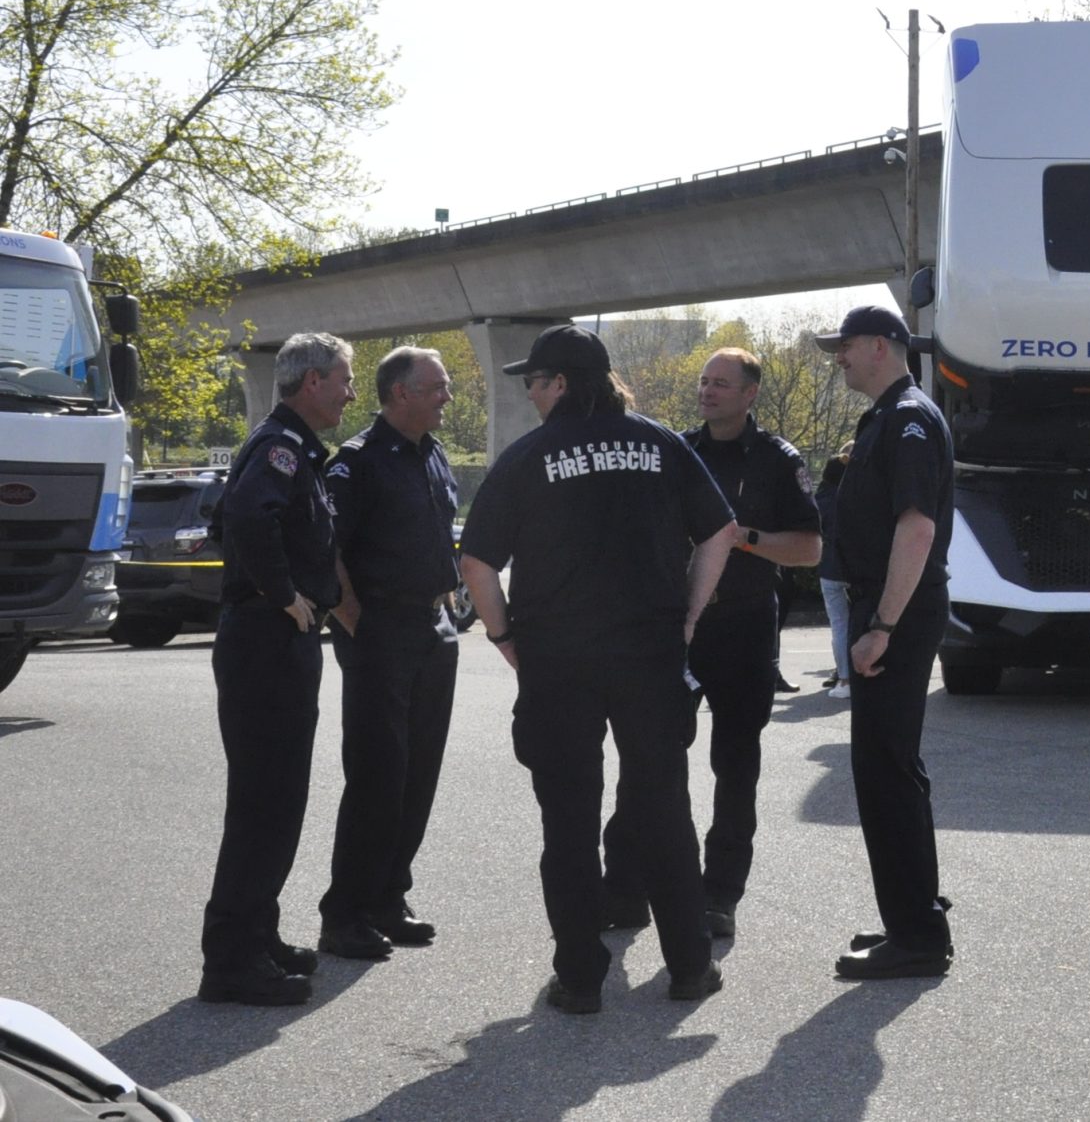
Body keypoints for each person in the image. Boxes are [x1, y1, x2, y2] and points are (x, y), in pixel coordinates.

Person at [457, 324, 740, 1015]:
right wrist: (691, 616)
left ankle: (581, 979)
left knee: (570, 822)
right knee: (664, 811)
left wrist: (503, 637)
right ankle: (689, 966)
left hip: (558, 661)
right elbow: (721, 530)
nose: (529, 393)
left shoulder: (529, 456)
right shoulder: (662, 443)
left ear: (560, 384)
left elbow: (476, 561)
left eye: (535, 381)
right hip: (650, 654)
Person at [601, 346, 820, 941]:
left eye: (722, 383)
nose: (708, 391)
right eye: (703, 381)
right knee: (649, 755)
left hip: (745, 627)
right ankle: (623, 888)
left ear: (750, 394)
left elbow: (809, 549)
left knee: (735, 765)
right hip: (679, 627)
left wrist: (740, 537)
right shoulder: (676, 450)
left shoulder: (777, 460)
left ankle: (718, 894)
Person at [197, 333, 358, 1006]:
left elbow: (226, 521)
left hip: (275, 643)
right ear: (312, 381)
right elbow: (243, 517)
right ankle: (231, 961)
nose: (351, 392)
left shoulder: (292, 448)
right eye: (344, 379)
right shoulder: (282, 447)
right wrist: (284, 595)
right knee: (264, 803)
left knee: (280, 801)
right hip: (266, 641)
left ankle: (256, 934)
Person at [812, 306, 957, 980]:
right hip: (887, 607)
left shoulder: (908, 419)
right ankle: (912, 917)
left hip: (894, 611)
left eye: (844, 347)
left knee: (885, 772)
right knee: (890, 769)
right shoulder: (891, 416)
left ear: (879, 345)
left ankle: (919, 939)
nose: (838, 357)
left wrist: (882, 628)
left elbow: (917, 529)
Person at [314, 346, 463, 963]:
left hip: (433, 629)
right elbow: (328, 551)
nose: (447, 398)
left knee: (417, 773)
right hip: (381, 631)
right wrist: (357, 624)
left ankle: (387, 897)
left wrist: (449, 607)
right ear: (399, 392)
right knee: (378, 775)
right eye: (437, 387)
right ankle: (344, 913)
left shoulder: (432, 454)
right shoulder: (356, 462)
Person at [817, 441, 857, 694]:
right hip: (858, 568)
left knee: (839, 624)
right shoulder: (860, 496)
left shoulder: (822, 499)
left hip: (830, 567)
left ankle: (844, 679)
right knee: (863, 623)